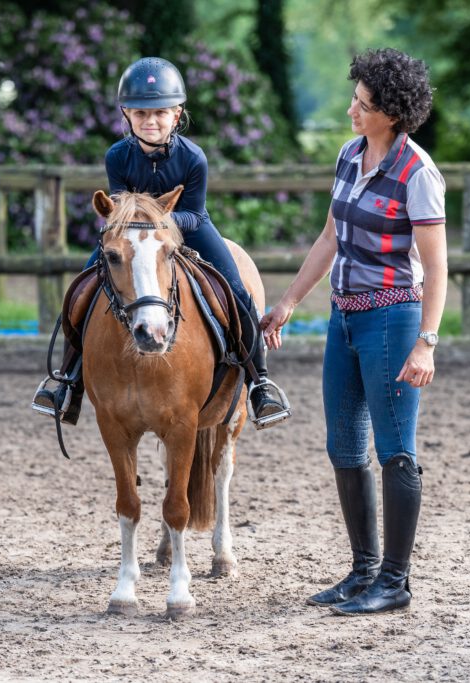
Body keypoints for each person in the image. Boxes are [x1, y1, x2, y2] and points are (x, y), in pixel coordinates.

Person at [261, 48, 447, 615]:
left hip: (392, 319)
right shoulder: (349, 155)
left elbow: (436, 267)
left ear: (391, 113)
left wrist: (427, 342)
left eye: (362, 105)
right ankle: (363, 570)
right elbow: (330, 238)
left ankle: (395, 581)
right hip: (343, 317)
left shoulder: (418, 173)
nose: (351, 111)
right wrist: (289, 302)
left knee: (394, 450)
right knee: (343, 445)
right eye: (354, 99)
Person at [33, 57, 290, 429]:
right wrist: (141, 227)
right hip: (133, 235)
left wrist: (161, 224)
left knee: (237, 291)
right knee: (82, 292)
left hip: (189, 226)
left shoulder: (194, 158)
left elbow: (194, 213)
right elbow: (120, 208)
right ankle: (67, 382)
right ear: (126, 114)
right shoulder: (117, 156)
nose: (150, 121)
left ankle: (259, 383)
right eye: (140, 113)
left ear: (177, 114)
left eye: (160, 113)